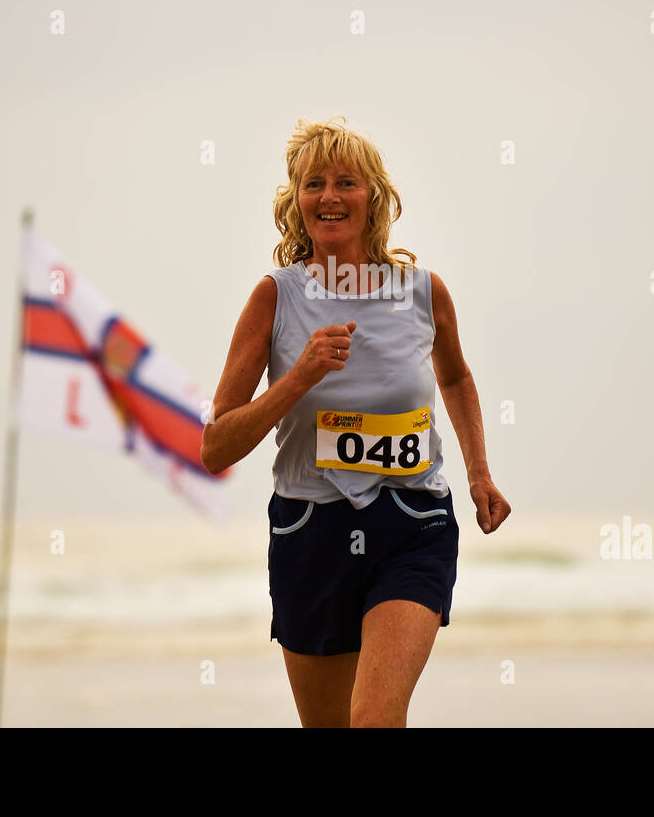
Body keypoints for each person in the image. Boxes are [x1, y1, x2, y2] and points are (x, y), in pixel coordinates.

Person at [200, 115, 510, 727]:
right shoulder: (275, 297)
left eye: (347, 181)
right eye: (314, 184)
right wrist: (298, 378)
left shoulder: (423, 291)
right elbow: (216, 447)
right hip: (310, 529)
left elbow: (455, 377)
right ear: (297, 203)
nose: (330, 196)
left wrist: (479, 474)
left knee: (373, 720)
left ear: (375, 199)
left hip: (413, 520)